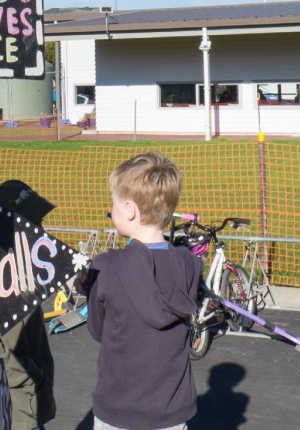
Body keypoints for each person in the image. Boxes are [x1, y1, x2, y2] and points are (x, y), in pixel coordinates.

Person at [81, 152, 201, 430]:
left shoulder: (107, 266)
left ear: (130, 209)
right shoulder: (189, 264)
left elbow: (98, 330)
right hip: (171, 410)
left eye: (114, 206)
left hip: (119, 409)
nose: (111, 211)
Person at [0, 179, 57, 430]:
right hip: (17, 408)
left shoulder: (19, 272)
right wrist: (28, 379)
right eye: (35, 224)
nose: (43, 230)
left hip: (28, 402)